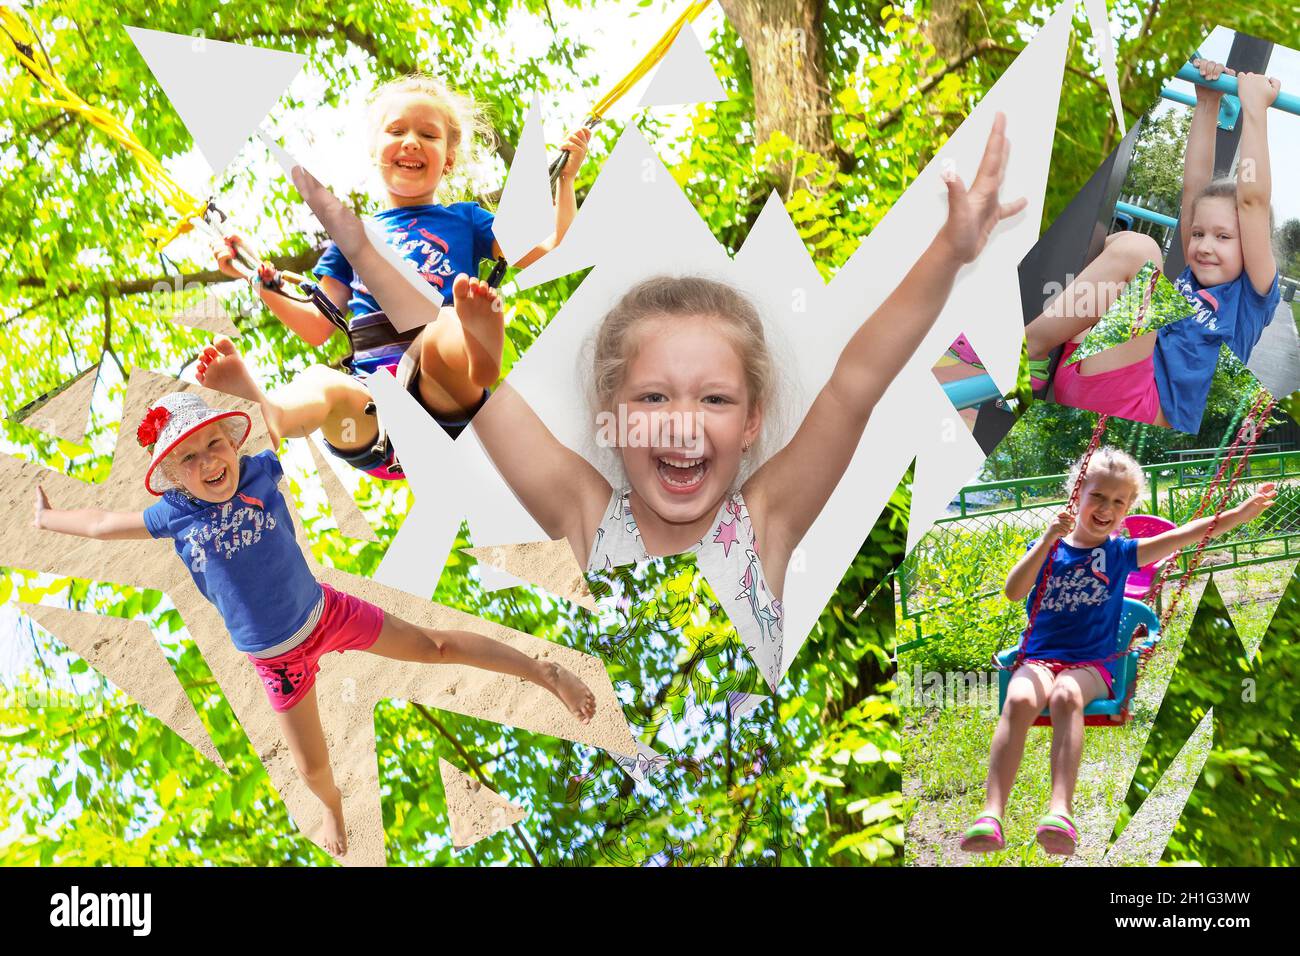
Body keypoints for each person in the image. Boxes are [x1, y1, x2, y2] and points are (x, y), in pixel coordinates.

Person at [279, 114, 1025, 688]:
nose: (682, 422)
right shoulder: (583, 508)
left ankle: (469, 340)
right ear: (613, 414)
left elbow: (858, 379)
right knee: (466, 383)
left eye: (715, 399)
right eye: (655, 396)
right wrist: (359, 243)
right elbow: (468, 390)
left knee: (464, 375)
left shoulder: (761, 521)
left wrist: (950, 253)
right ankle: (469, 340)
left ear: (754, 421)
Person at [32, 391, 597, 857]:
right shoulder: (174, 514)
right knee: (310, 765)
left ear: (235, 443)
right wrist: (49, 517)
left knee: (436, 646)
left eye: (214, 444)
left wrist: (246, 379)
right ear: (174, 477)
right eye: (189, 458)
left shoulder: (260, 469)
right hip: (276, 661)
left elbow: (285, 416)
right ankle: (332, 809)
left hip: (327, 614)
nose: (208, 462)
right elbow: (105, 522)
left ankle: (542, 672)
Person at [209, 74, 592, 477]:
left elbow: (553, 251)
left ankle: (480, 359)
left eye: (428, 134)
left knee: (445, 325)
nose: (411, 141)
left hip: (443, 411)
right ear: (377, 152)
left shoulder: (466, 220)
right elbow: (317, 326)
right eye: (397, 131)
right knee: (321, 380)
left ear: (448, 160)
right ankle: (271, 414)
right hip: (373, 416)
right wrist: (257, 278)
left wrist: (565, 181)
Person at [960, 446, 1276, 856]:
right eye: (1097, 496)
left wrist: (1237, 516)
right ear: (1077, 495)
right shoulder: (1049, 548)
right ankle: (991, 814)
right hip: (1037, 657)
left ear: (1127, 509)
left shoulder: (1122, 553)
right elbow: (1013, 591)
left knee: (1066, 696)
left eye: (1118, 501)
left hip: (1091, 665)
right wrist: (1046, 539)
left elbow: (1185, 535)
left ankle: (1060, 811)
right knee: (1019, 698)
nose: (1106, 507)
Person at [1017, 59, 1282, 434]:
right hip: (1092, 372)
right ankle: (1037, 357)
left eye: (1223, 237)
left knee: (1141, 250)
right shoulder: (1191, 278)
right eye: (1199, 234)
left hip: (1136, 409)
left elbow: (1252, 202)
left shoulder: (1251, 299)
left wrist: (1255, 110)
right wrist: (1206, 104)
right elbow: (1195, 187)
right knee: (1123, 241)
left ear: (1253, 245)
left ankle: (1028, 349)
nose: (1205, 245)